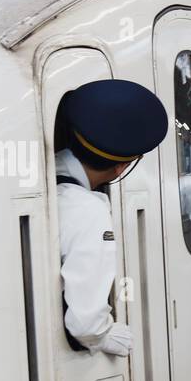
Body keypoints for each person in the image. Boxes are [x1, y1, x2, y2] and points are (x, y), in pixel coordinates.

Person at [55, 79, 169, 356]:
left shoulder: (47, 183)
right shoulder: (87, 210)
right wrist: (103, 335)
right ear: (121, 168)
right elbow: (84, 323)